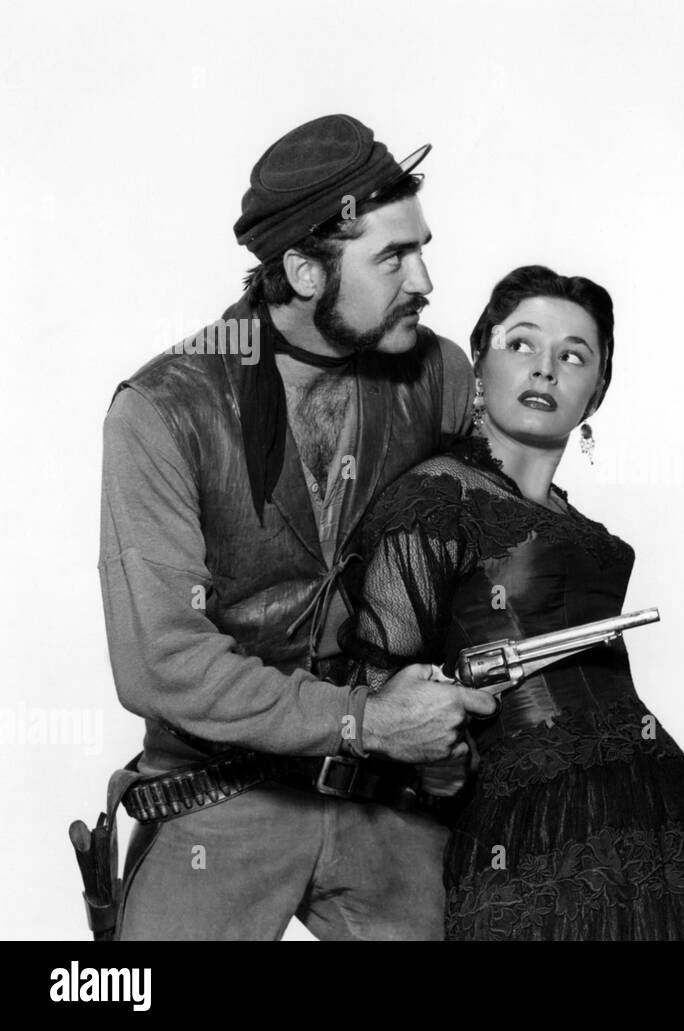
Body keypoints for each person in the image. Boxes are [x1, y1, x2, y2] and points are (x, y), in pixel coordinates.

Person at [98, 113, 497, 941]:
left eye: (421, 247)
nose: (426, 279)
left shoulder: (440, 374)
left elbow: (491, 565)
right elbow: (164, 663)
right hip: (218, 793)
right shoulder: (162, 411)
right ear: (304, 273)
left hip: (390, 798)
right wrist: (364, 719)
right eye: (392, 257)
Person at [341, 265, 684, 940]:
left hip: (662, 806)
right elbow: (379, 694)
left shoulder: (577, 521)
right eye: (522, 345)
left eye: (573, 356)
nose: (545, 370)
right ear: (480, 357)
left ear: (596, 393)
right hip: (532, 830)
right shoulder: (432, 497)